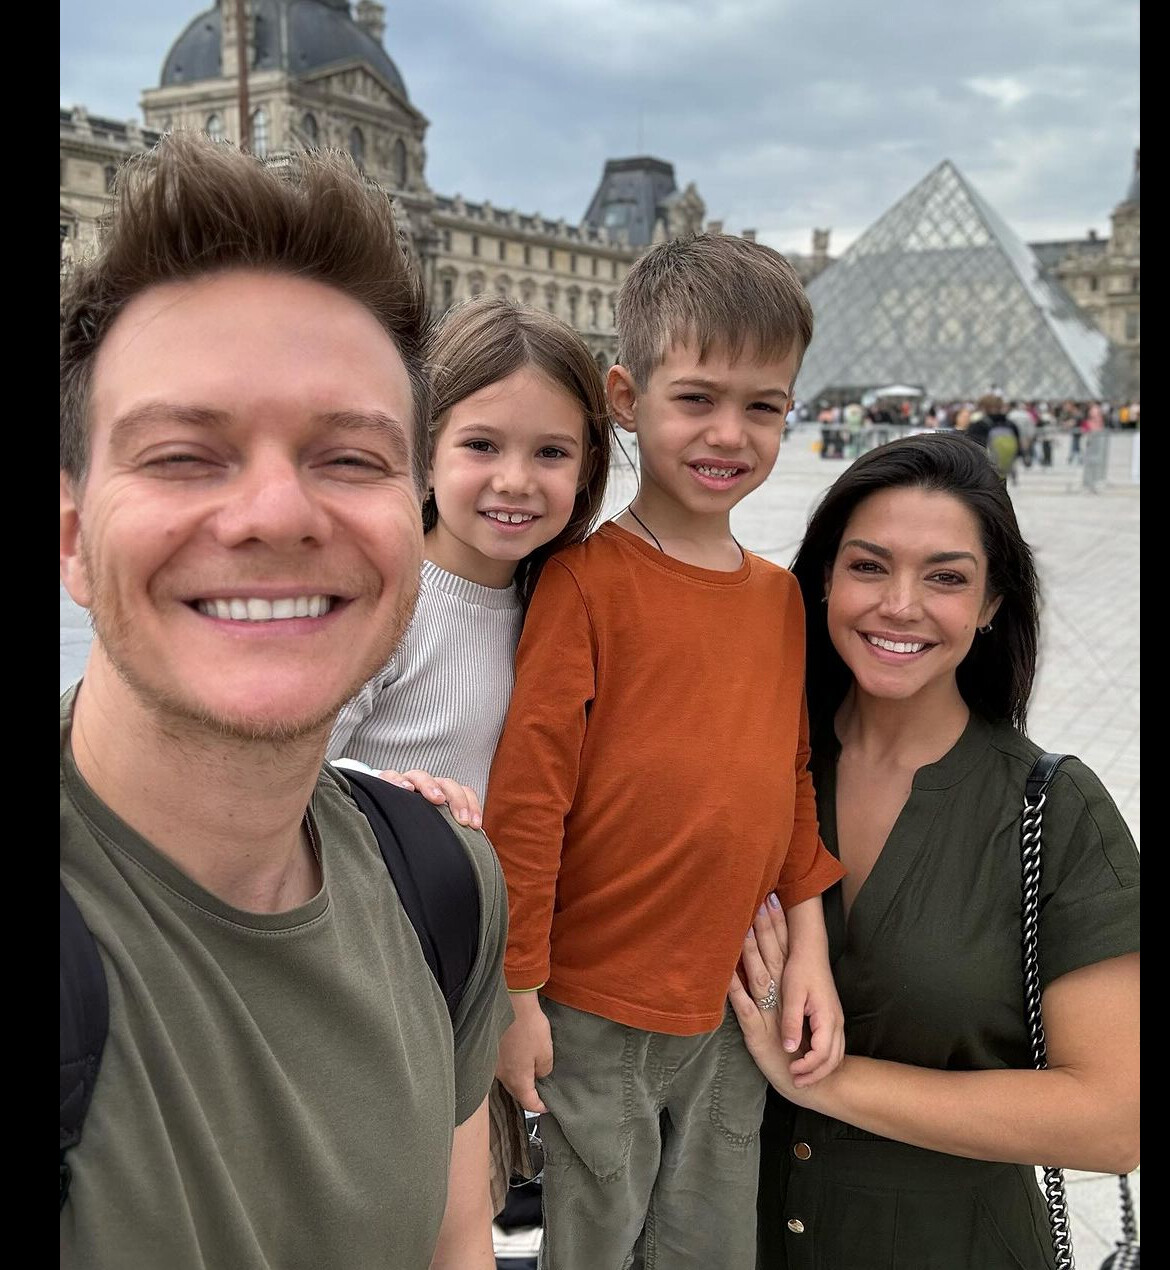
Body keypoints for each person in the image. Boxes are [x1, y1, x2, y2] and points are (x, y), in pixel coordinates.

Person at [59, 132, 512, 1269]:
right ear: (70, 535)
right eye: (182, 454)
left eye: (350, 458)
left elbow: (457, 1245)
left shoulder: (445, 885)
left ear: (412, 516)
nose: (276, 514)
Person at [484, 232, 848, 1270]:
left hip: (734, 1004)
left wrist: (810, 952)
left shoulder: (779, 598)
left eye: (763, 406)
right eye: (696, 398)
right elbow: (530, 801)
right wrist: (515, 995)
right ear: (626, 398)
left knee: (711, 1248)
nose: (730, 433)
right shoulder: (584, 583)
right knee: (591, 1246)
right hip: (592, 1003)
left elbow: (790, 780)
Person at [725, 431, 1140, 1269]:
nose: (900, 604)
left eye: (946, 577)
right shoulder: (740, 768)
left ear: (991, 605)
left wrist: (823, 1079)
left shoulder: (1054, 810)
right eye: (868, 566)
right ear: (825, 580)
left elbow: (1112, 1122)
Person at [326, 292, 612, 1218]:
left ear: (590, 465)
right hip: (378, 969)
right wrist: (385, 792)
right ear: (424, 449)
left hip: (485, 970)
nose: (515, 481)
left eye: (552, 453)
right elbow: (292, 772)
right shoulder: (387, 599)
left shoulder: (559, 603)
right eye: (482, 445)